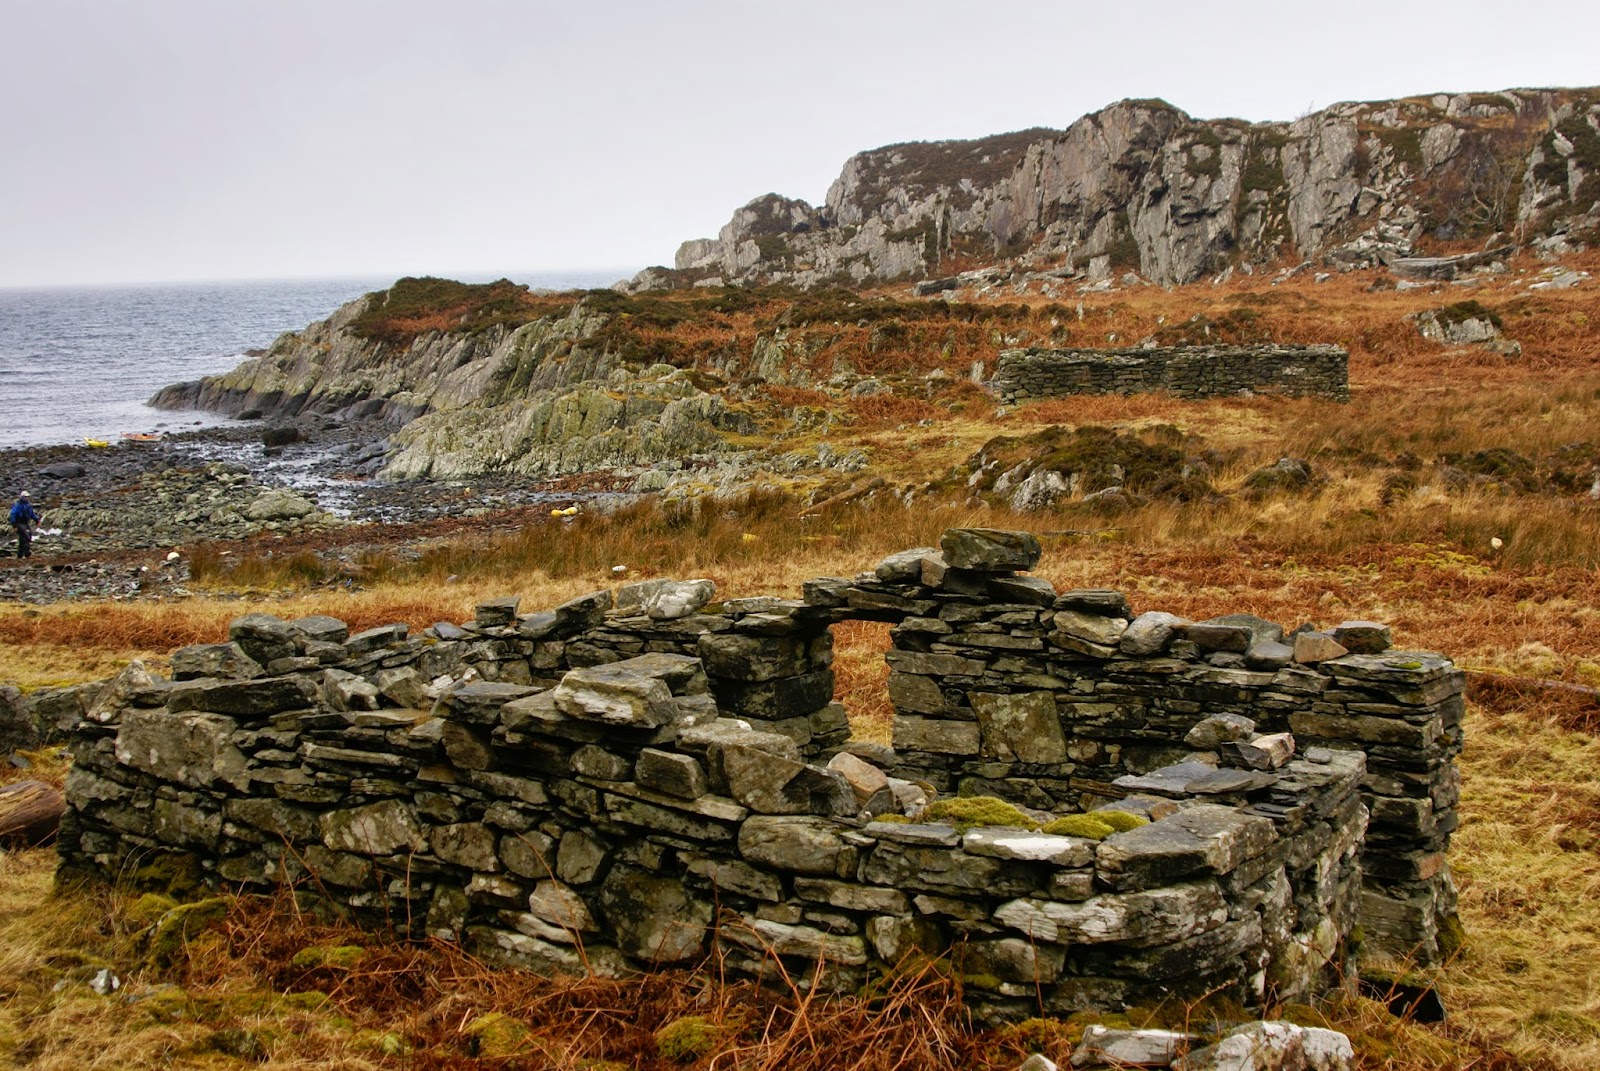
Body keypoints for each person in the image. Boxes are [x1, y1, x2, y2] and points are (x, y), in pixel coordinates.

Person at [9, 492, 40, 559]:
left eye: (27, 497)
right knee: (26, 537)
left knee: (24, 538)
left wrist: (36, 520)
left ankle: (20, 554)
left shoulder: (28, 505)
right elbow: (13, 514)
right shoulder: (18, 505)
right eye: (25, 497)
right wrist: (14, 524)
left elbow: (31, 513)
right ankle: (27, 554)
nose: (27, 498)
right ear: (22, 497)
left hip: (25, 523)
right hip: (19, 523)